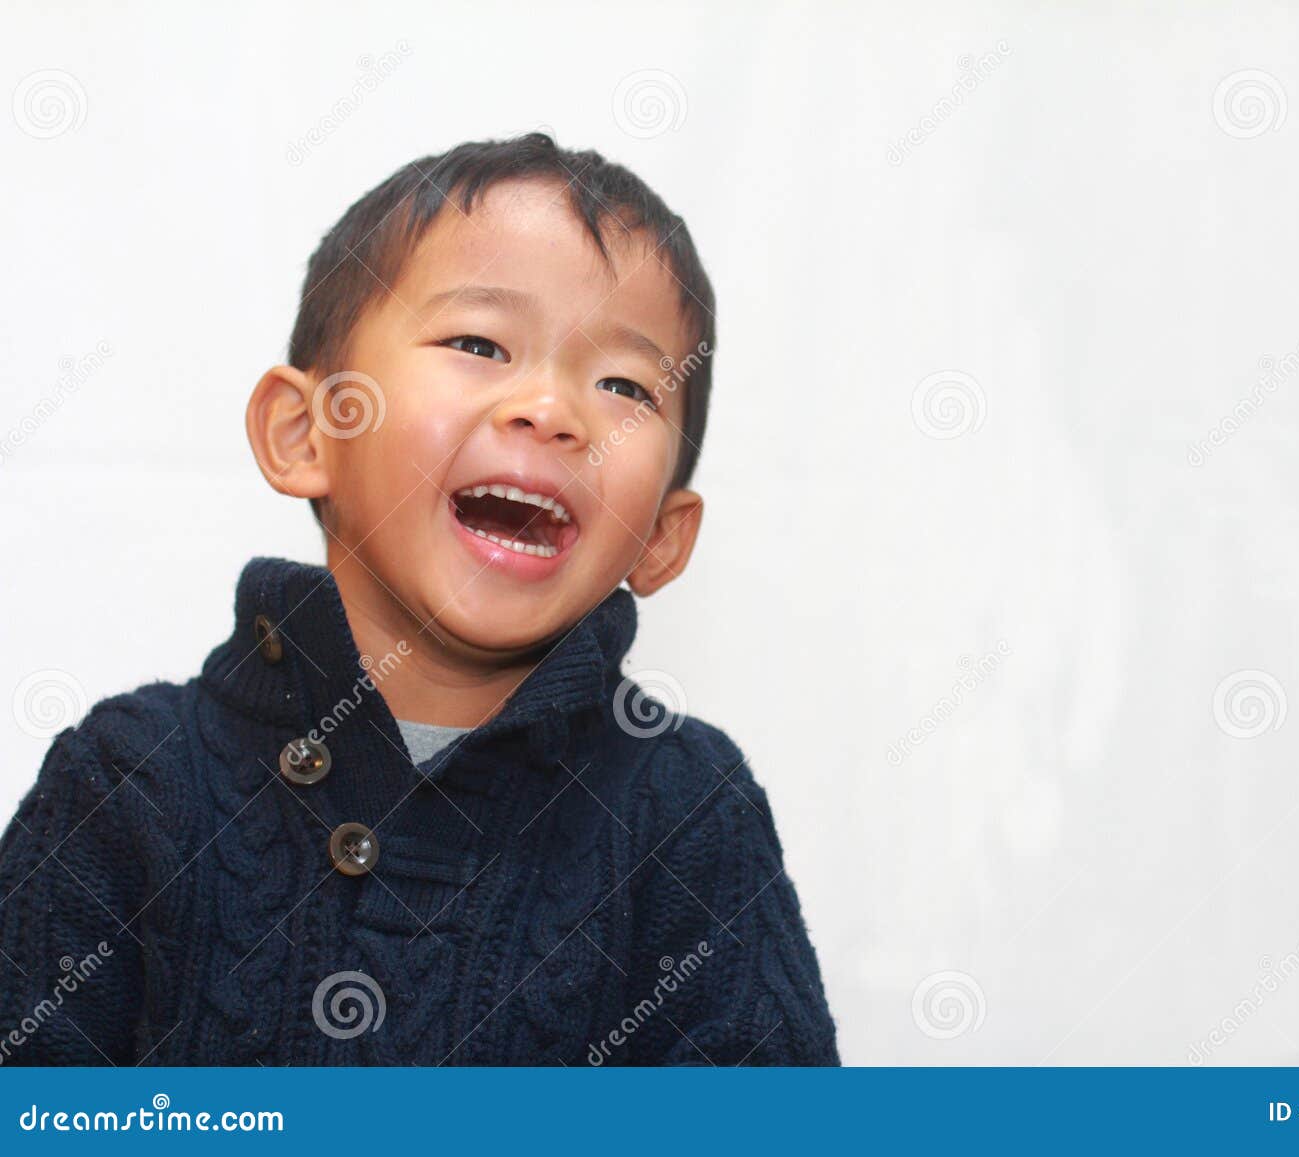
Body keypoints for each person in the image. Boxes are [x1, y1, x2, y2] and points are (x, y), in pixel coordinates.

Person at [0, 131, 838, 1066]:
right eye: (479, 342)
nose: (551, 410)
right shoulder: (127, 780)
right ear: (305, 432)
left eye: (623, 383)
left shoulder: (685, 812)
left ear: (663, 537)